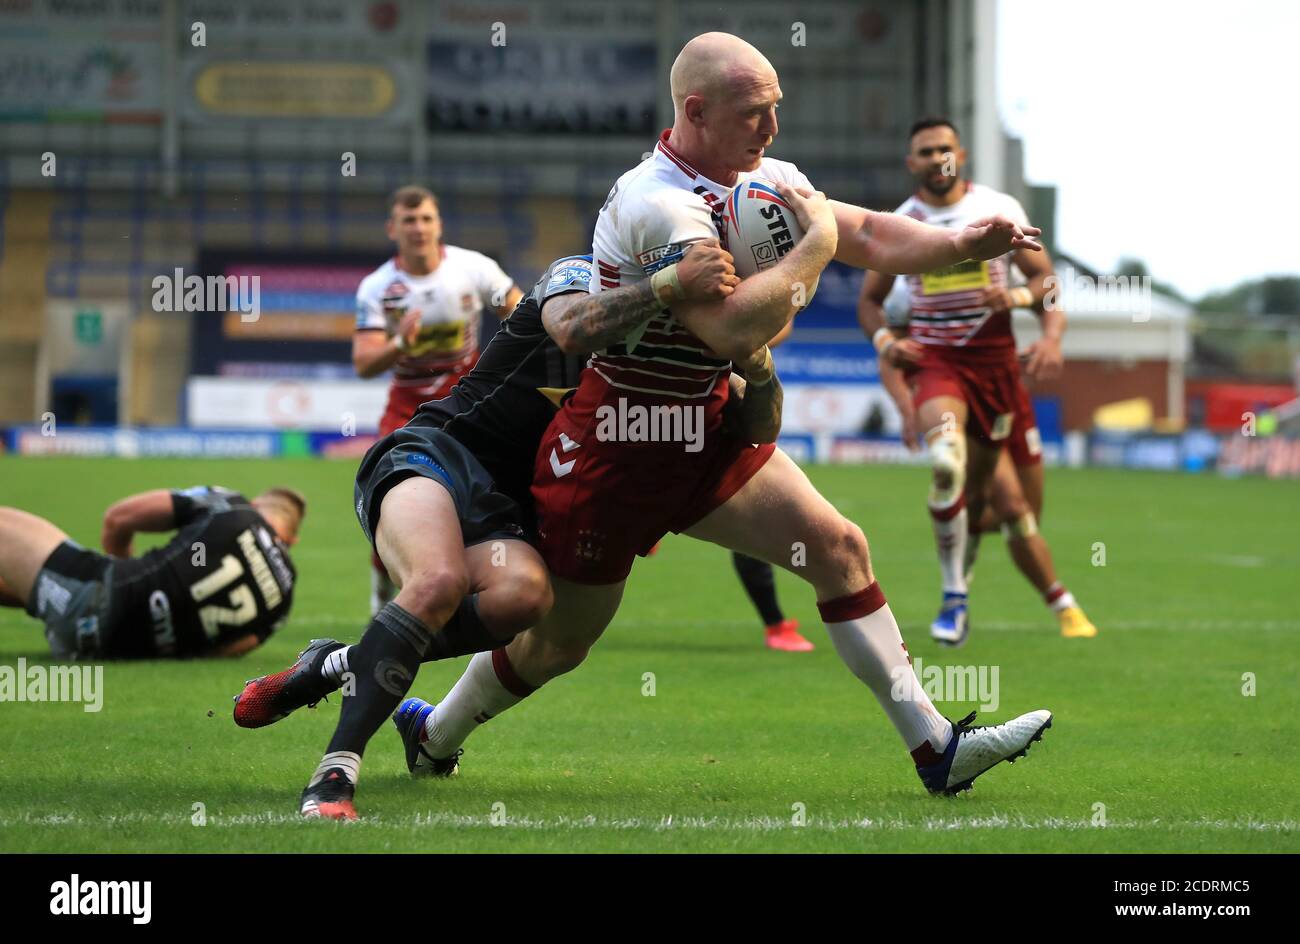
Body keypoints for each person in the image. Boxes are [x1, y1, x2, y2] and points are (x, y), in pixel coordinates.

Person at [401, 33, 1053, 802]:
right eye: (755, 113)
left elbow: (869, 232)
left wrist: (958, 242)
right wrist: (814, 249)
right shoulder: (658, 200)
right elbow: (734, 329)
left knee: (839, 547)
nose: (772, 130)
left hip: (706, 428)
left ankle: (936, 748)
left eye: (777, 110)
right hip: (618, 444)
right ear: (696, 111)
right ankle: (434, 732)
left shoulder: (761, 175)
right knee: (557, 645)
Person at [236, 245, 747, 818]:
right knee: (438, 582)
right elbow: (571, 324)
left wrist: (757, 370)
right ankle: (334, 774)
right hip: (436, 453)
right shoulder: (578, 278)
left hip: (502, 510)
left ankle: (332, 665)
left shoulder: (679, 362)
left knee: (524, 597)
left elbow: (730, 428)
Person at [858, 117, 1098, 644]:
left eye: (944, 148)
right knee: (948, 464)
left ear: (960, 155)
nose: (936, 157)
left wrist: (1046, 331)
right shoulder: (902, 223)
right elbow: (870, 303)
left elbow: (1047, 282)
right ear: (912, 163)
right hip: (939, 364)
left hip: (997, 368)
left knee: (1015, 510)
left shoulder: (999, 211)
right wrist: (888, 347)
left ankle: (987, 575)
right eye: (924, 151)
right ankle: (956, 597)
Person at [353, 185, 523, 615]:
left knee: (488, 495)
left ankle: (490, 589)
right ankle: (382, 591)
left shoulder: (474, 268)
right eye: (409, 220)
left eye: (426, 218)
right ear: (393, 228)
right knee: (391, 505)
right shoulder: (378, 287)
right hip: (405, 411)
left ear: (439, 225)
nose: (419, 228)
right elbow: (364, 362)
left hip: (467, 404)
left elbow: (523, 316)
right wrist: (398, 345)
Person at [0, 486, 304, 659]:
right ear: (291, 540)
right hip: (109, 651)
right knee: (46, 585)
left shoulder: (234, 508)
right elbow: (226, 651)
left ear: (255, 505)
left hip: (89, 597)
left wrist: (117, 580)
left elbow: (118, 519)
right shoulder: (283, 602)